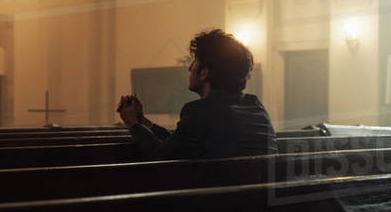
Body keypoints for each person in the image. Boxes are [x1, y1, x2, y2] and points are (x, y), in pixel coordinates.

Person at [117, 29, 277, 159]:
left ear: (204, 72)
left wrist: (133, 124)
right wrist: (144, 122)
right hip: (255, 197)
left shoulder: (200, 111)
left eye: (194, 62)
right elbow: (181, 141)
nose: (189, 68)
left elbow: (161, 155)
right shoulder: (256, 107)